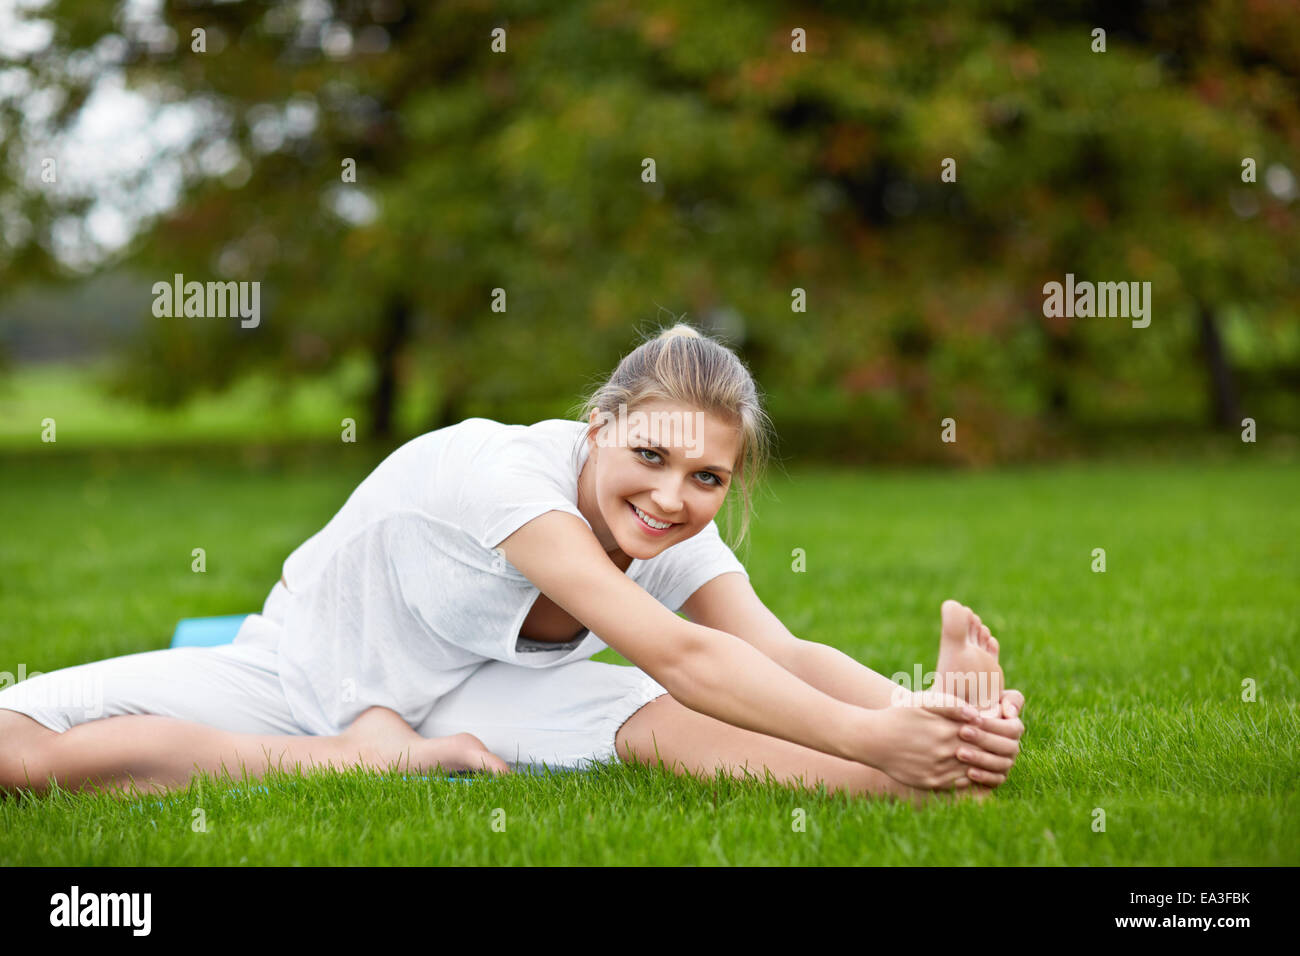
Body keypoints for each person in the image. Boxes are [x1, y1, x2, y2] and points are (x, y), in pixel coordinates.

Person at [0, 323, 1024, 806]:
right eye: (651, 457)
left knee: (664, 726)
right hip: (306, 671)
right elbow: (676, 649)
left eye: (707, 477)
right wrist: (871, 728)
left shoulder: (671, 529)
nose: (672, 496)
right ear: (597, 429)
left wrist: (930, 725)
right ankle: (360, 757)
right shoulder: (507, 479)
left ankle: (923, 784)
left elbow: (775, 652)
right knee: (13, 750)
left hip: (482, 697)